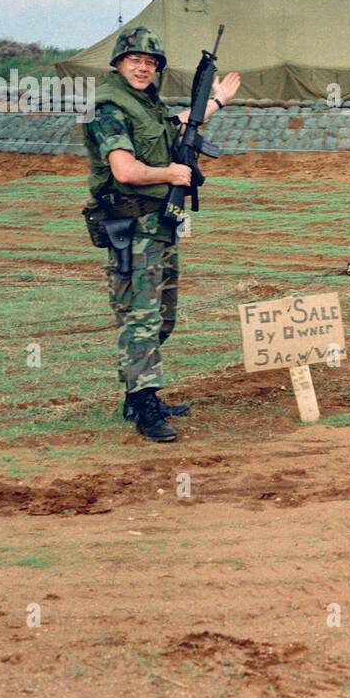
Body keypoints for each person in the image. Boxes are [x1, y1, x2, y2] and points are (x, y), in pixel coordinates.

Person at [82, 26, 240, 441]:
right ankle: (145, 405)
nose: (142, 68)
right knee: (142, 318)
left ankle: (137, 394)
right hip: (132, 228)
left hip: (159, 226)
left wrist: (216, 100)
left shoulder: (144, 104)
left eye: (150, 63)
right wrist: (169, 172)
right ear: (118, 62)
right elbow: (125, 170)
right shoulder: (108, 107)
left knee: (162, 317)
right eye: (135, 60)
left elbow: (179, 125)